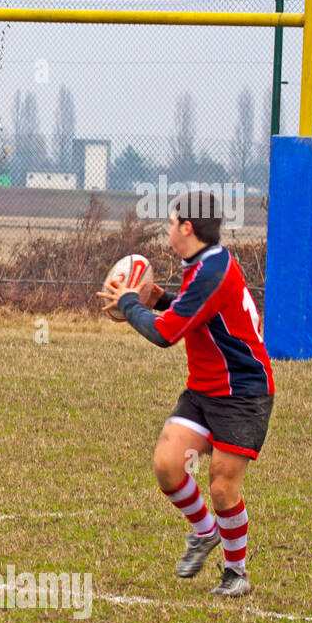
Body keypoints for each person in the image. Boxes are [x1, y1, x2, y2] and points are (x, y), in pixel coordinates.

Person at [98, 191, 274, 597]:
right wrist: (159, 298)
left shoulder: (213, 271)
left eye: (170, 224)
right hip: (204, 389)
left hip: (243, 393)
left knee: (221, 488)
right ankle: (204, 531)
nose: (167, 231)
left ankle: (237, 573)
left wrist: (129, 302)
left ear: (187, 228)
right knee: (168, 465)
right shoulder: (203, 265)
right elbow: (195, 312)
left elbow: (166, 333)